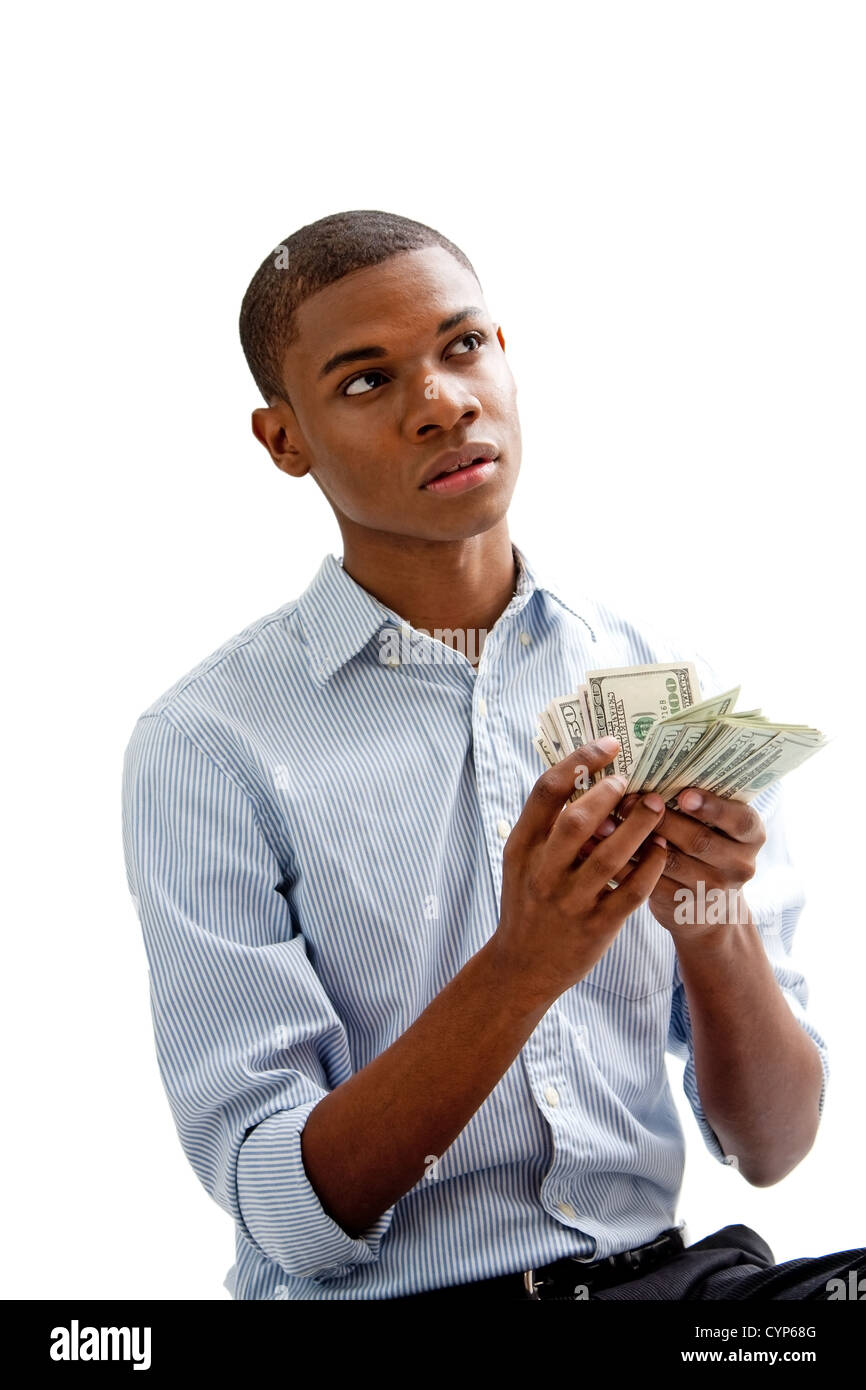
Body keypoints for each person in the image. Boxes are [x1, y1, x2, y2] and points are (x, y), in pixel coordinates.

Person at [121, 209, 865, 1301]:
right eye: (366, 381)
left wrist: (711, 918)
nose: (441, 402)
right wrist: (523, 966)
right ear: (285, 440)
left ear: (503, 357)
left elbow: (770, 1145)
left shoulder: (655, 668)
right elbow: (289, 1214)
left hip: (668, 1290)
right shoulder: (207, 747)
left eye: (460, 346)